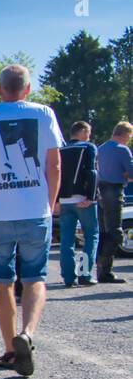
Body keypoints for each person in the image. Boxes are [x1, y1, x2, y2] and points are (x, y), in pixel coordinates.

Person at [0, 63, 62, 376]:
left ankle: (10, 348)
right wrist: (48, 204)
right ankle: (28, 333)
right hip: (36, 210)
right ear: (28, 88)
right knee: (35, 277)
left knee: (2, 281)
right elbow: (55, 166)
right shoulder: (44, 114)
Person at [56, 121, 100, 288]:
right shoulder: (88, 148)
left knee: (67, 240)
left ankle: (68, 277)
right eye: (88, 133)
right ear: (82, 132)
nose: (89, 136)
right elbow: (92, 171)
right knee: (90, 236)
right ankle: (84, 274)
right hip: (83, 199)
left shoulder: (60, 149)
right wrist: (91, 196)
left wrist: (55, 200)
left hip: (64, 201)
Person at [94, 121, 133, 284]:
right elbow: (131, 173)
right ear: (125, 134)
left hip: (100, 191)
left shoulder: (100, 148)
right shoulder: (122, 150)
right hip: (114, 191)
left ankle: (99, 269)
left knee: (103, 232)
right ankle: (106, 272)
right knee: (115, 231)